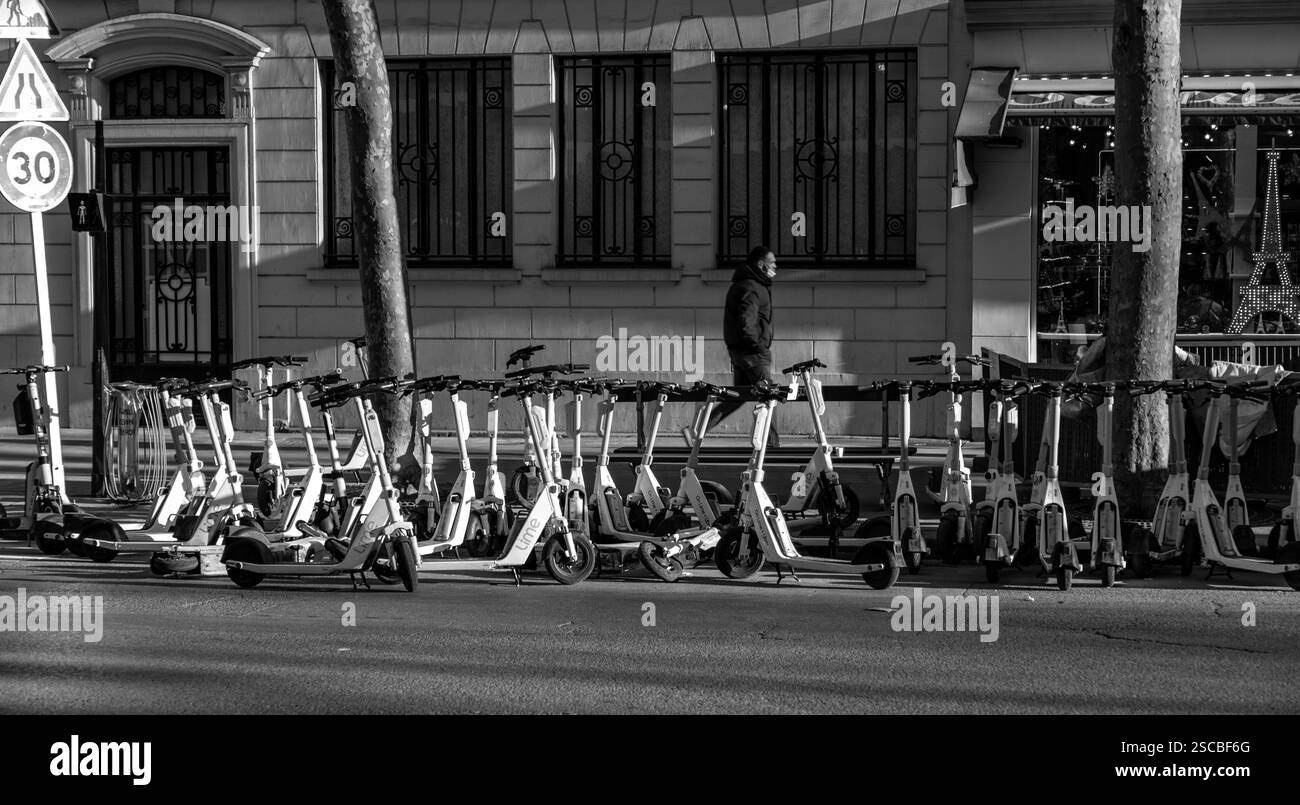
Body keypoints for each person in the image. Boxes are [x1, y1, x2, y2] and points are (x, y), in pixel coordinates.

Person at [704, 245, 779, 447]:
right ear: (761, 264)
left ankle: (698, 430)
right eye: (771, 262)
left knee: (737, 396)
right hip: (752, 353)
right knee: (768, 396)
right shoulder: (751, 287)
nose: (775, 266)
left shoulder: (747, 285)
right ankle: (771, 445)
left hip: (742, 351)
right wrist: (758, 346)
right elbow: (747, 321)